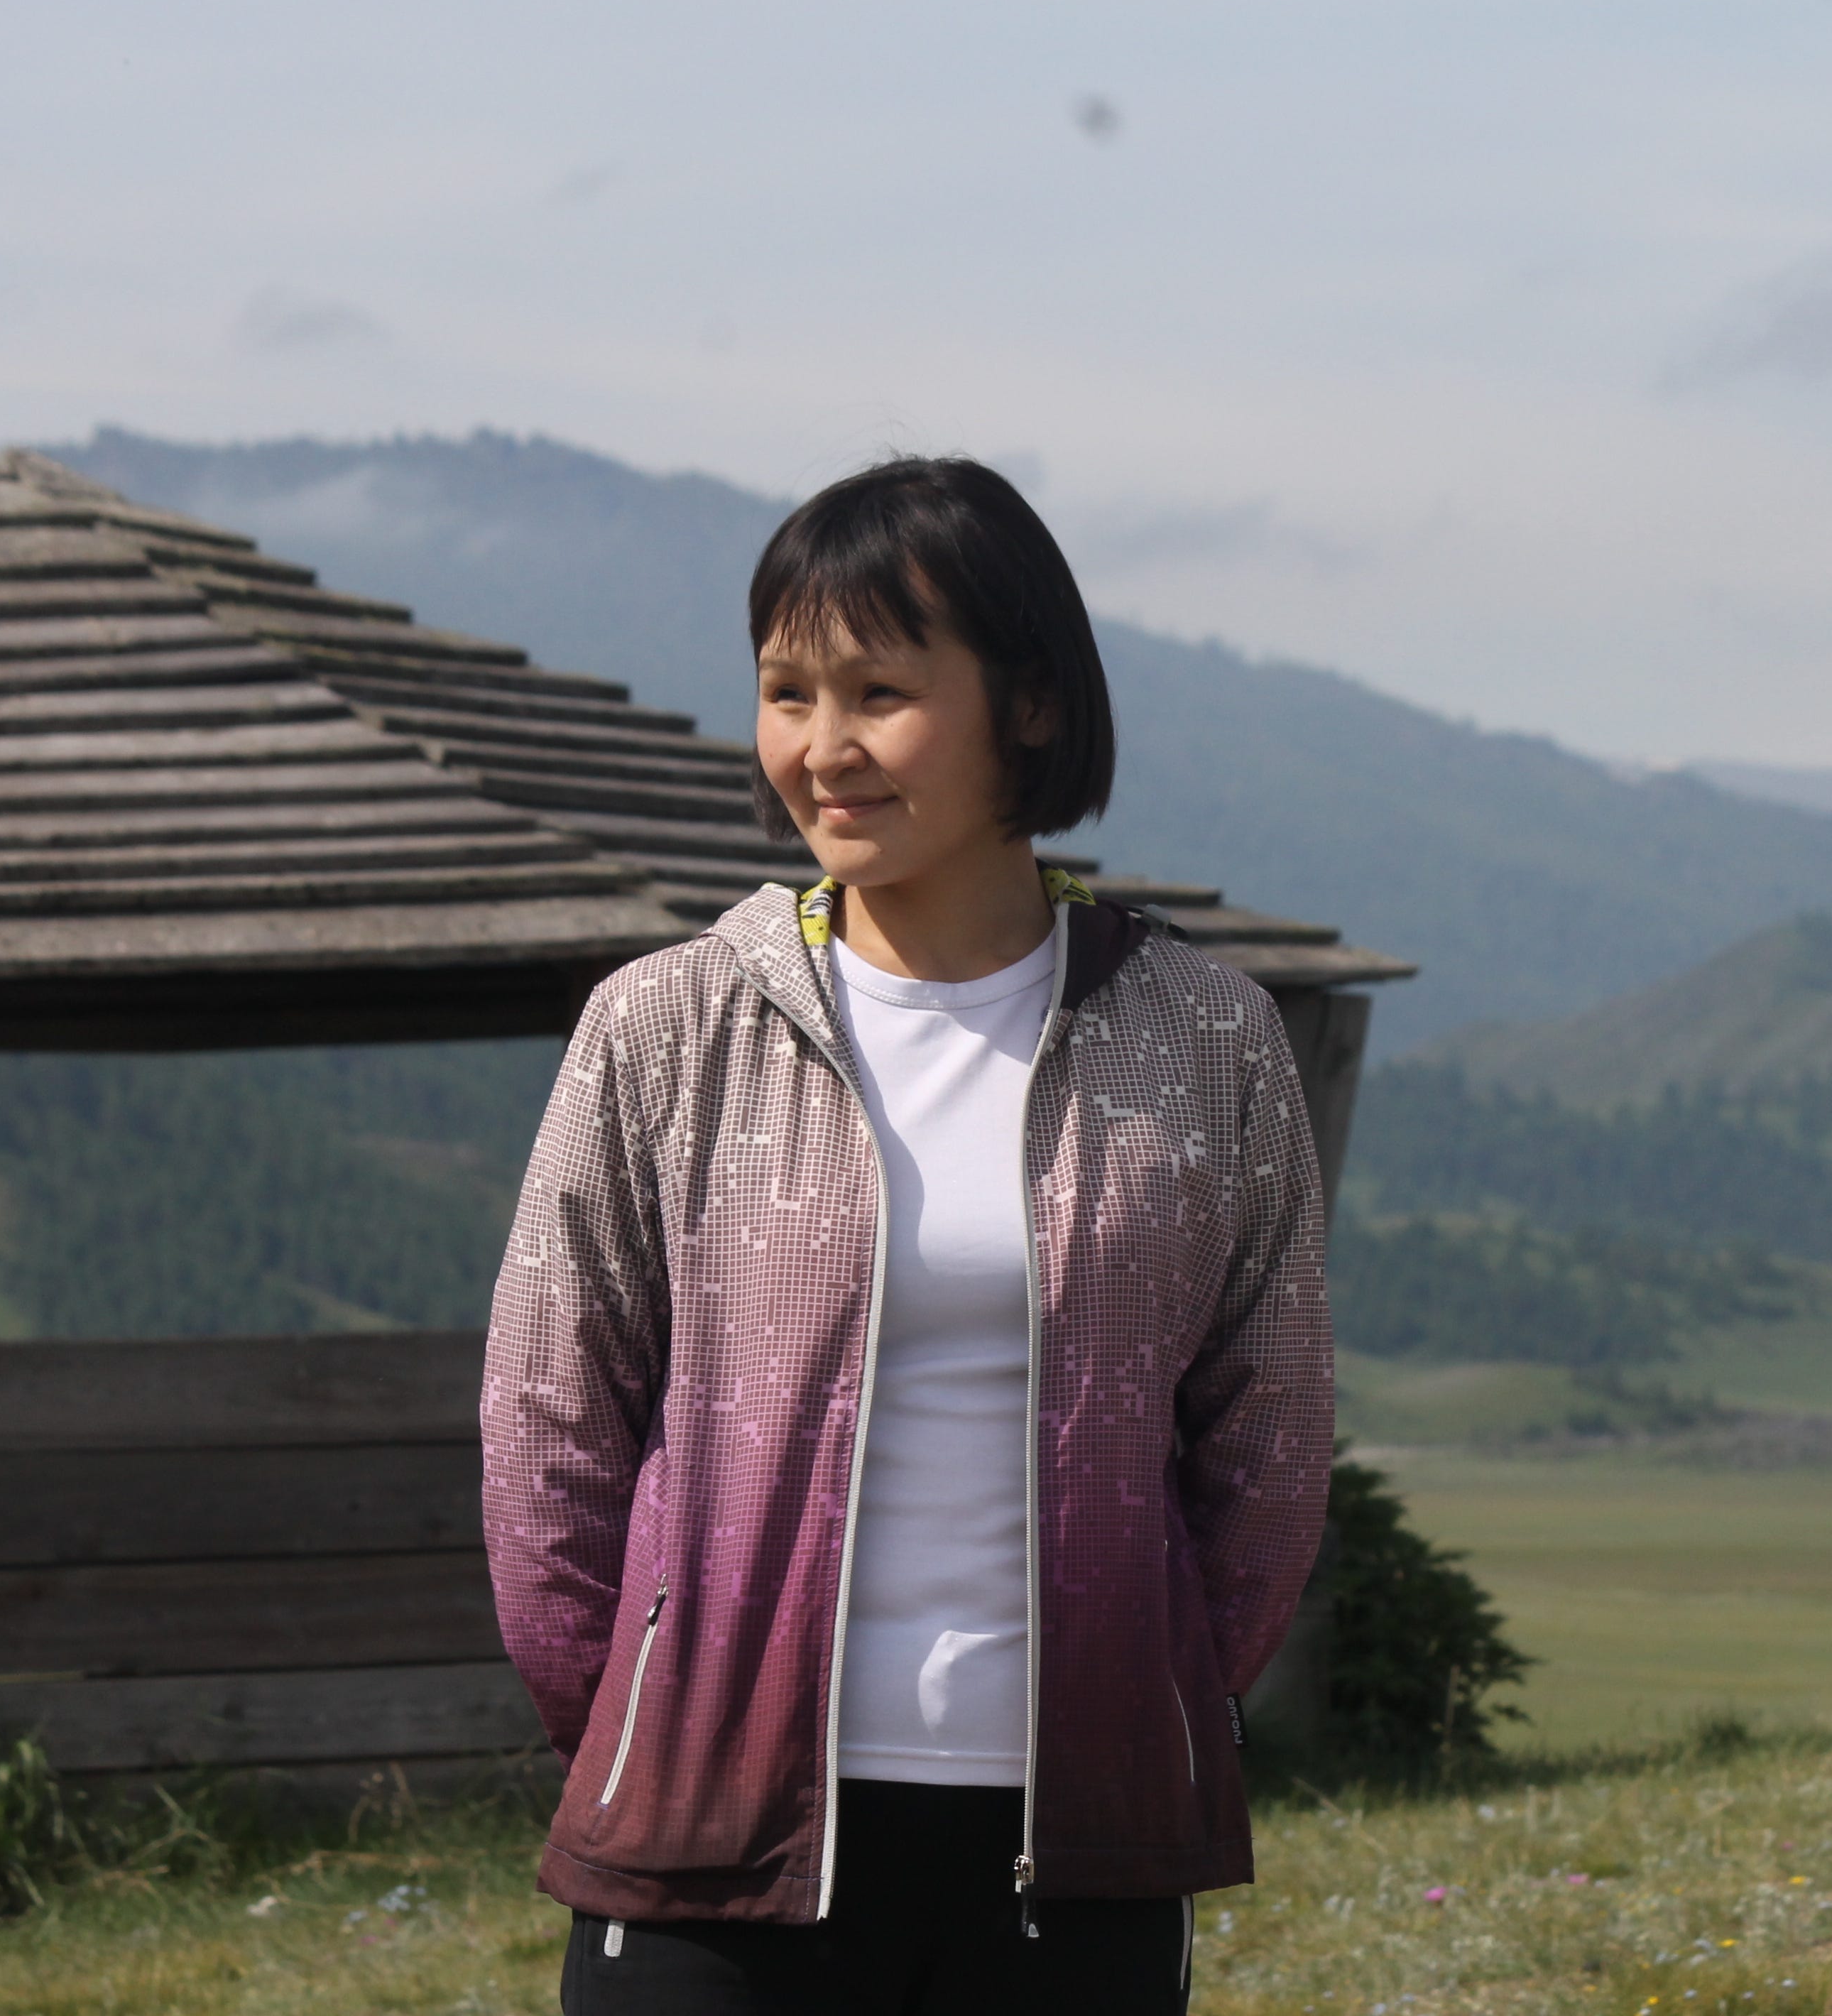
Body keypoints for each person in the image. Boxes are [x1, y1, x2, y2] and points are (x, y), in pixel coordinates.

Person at [481, 457, 1334, 2015]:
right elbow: (552, 1424)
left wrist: (1152, 1701)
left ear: (1029, 704)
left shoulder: (1203, 1037)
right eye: (787, 692)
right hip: (704, 1841)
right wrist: (643, 1710)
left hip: (1071, 1850)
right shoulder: (666, 1027)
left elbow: (1267, 1442)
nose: (824, 749)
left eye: (879, 690)